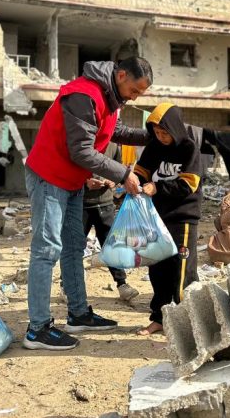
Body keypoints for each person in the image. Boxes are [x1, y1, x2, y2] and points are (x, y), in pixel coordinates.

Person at [23, 57, 152, 351]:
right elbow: (81, 150)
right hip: (49, 176)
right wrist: (124, 174)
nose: (135, 97)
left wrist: (152, 135)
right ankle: (38, 329)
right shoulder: (84, 94)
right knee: (46, 249)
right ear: (121, 76)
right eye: (135, 90)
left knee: (73, 246)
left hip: (71, 180)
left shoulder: (112, 98)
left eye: (140, 94)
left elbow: (115, 132)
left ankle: (78, 313)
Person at [133, 103, 202, 336]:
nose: (161, 137)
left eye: (165, 132)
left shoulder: (188, 148)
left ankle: (187, 322)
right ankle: (160, 318)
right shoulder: (153, 147)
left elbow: (189, 184)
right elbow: (141, 172)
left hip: (182, 219)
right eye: (157, 133)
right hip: (156, 217)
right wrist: (129, 182)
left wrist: (157, 187)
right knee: (158, 269)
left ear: (175, 128)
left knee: (182, 271)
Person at [83, 143, 139, 301]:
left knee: (112, 245)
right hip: (81, 204)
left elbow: (118, 170)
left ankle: (122, 284)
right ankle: (65, 286)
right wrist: (85, 182)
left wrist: (114, 180)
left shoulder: (113, 146)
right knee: (74, 247)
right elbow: (69, 171)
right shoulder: (82, 142)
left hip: (106, 203)